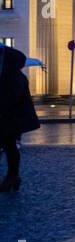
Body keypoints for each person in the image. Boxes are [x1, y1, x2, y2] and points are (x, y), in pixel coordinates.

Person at [0, 47, 39, 191]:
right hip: (10, 119)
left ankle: (12, 177)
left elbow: (9, 99)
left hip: (9, 119)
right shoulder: (13, 75)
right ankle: (12, 177)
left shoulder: (12, 76)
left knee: (10, 148)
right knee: (9, 148)